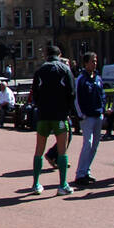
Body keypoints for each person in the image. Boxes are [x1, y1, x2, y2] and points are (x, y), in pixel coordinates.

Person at [30, 44, 77, 196]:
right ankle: (62, 184)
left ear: (46, 54)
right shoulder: (65, 69)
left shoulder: (40, 70)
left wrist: (40, 106)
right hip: (60, 115)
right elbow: (71, 92)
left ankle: (36, 183)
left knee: (39, 150)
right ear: (60, 54)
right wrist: (68, 111)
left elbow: (35, 93)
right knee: (62, 151)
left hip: (43, 115)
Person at [72, 51, 105, 187]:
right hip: (87, 117)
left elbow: (102, 95)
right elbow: (77, 99)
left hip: (97, 115)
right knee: (88, 144)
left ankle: (86, 170)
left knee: (94, 146)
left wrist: (102, 110)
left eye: (96, 61)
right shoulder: (81, 79)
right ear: (86, 63)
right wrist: (81, 115)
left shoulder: (98, 78)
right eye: (92, 61)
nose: (95, 63)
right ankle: (80, 173)